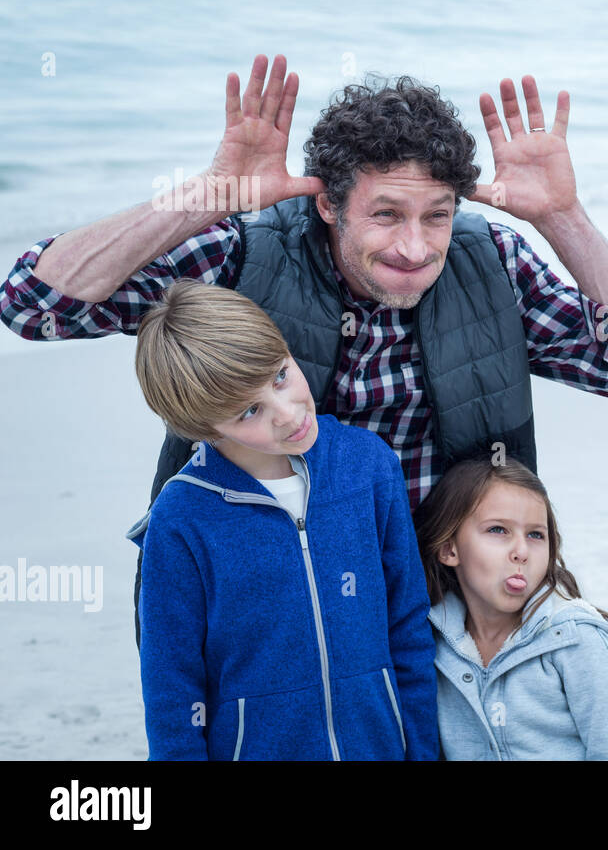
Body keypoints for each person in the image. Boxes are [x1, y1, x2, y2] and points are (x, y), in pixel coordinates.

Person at [0, 56, 608, 649]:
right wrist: (205, 198)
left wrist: (562, 216)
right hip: (259, 617)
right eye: (385, 215)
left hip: (443, 618)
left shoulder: (491, 262)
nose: (415, 247)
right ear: (329, 206)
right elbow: (35, 304)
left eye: (436, 215)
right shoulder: (246, 255)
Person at [129, 280, 439, 760]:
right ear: (204, 429)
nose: (287, 412)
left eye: (280, 376)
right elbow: (172, 691)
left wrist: (420, 752)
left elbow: (408, 627)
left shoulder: (368, 466)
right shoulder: (181, 519)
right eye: (250, 411)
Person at [414, 456, 608, 760]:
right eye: (498, 530)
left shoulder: (576, 641)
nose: (522, 552)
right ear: (449, 548)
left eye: (536, 535)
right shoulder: (431, 643)